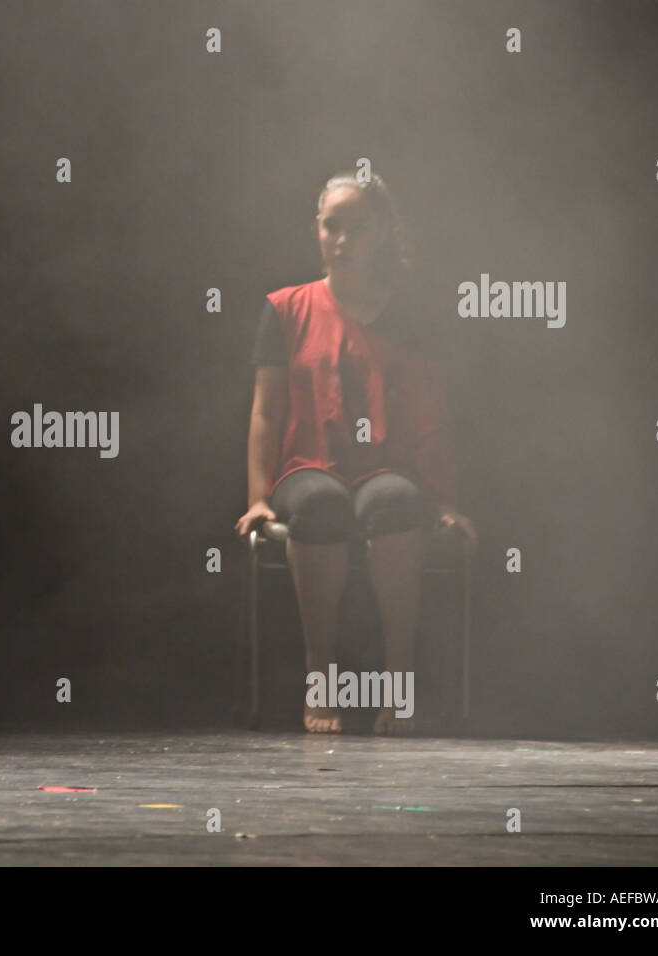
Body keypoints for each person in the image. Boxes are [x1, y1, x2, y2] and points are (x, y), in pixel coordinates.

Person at [234, 172, 478, 735]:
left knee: (394, 503)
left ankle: (398, 682)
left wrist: (443, 501)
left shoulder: (412, 318)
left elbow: (428, 417)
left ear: (382, 235)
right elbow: (266, 412)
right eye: (331, 226)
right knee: (319, 506)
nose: (341, 240)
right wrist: (257, 497)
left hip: (383, 466)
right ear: (316, 231)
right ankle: (322, 679)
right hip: (308, 466)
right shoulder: (285, 308)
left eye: (356, 228)